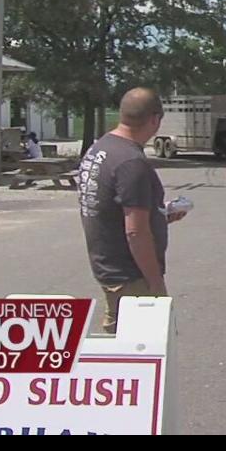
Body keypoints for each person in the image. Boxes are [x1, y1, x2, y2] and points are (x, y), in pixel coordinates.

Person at [78, 88, 185, 334]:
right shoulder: (131, 162)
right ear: (154, 119)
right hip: (131, 276)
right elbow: (135, 232)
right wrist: (155, 282)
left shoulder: (100, 149)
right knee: (146, 352)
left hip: (109, 268)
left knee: (120, 344)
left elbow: (109, 208)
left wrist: (160, 215)